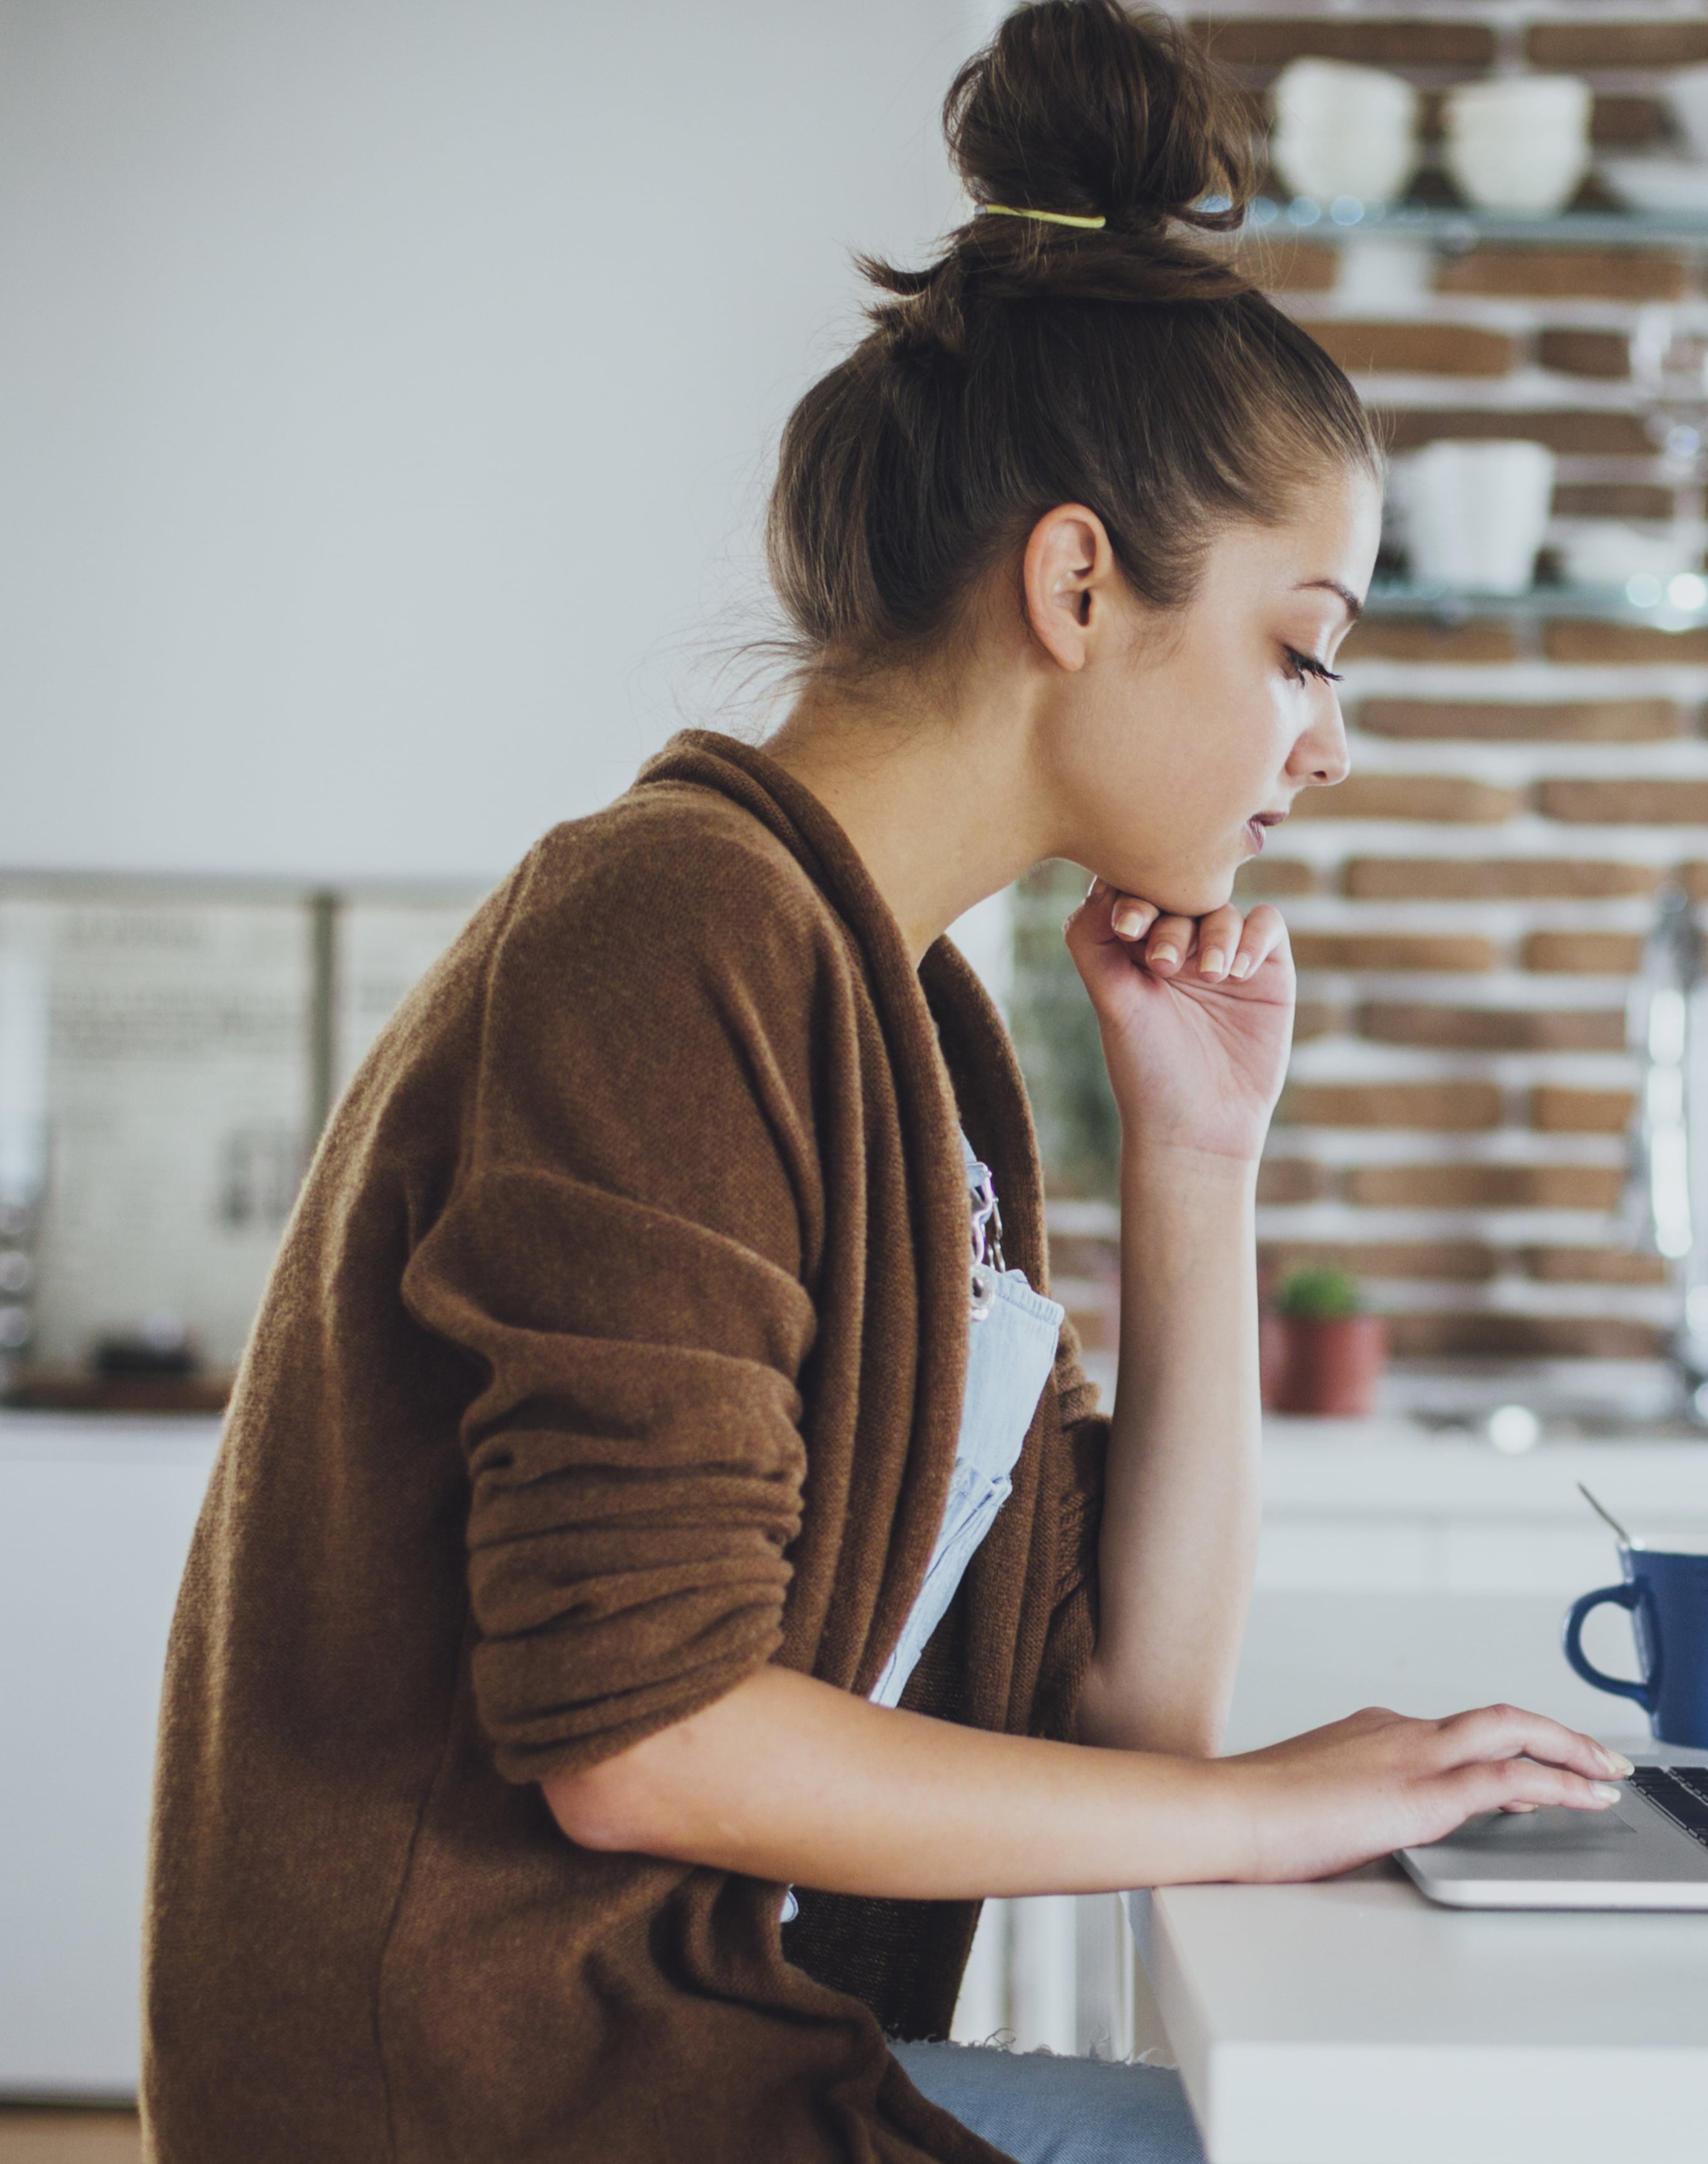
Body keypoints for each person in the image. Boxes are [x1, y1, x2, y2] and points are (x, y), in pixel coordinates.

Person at [139, 7, 1624, 2160]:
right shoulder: (671, 937)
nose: (1330, 740)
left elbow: (1136, 1699)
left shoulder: (902, 1010)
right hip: (497, 2104)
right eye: (1306, 647)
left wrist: (1197, 1154)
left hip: (674, 2058)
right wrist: (1254, 1816)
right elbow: (640, 1739)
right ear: (1079, 580)